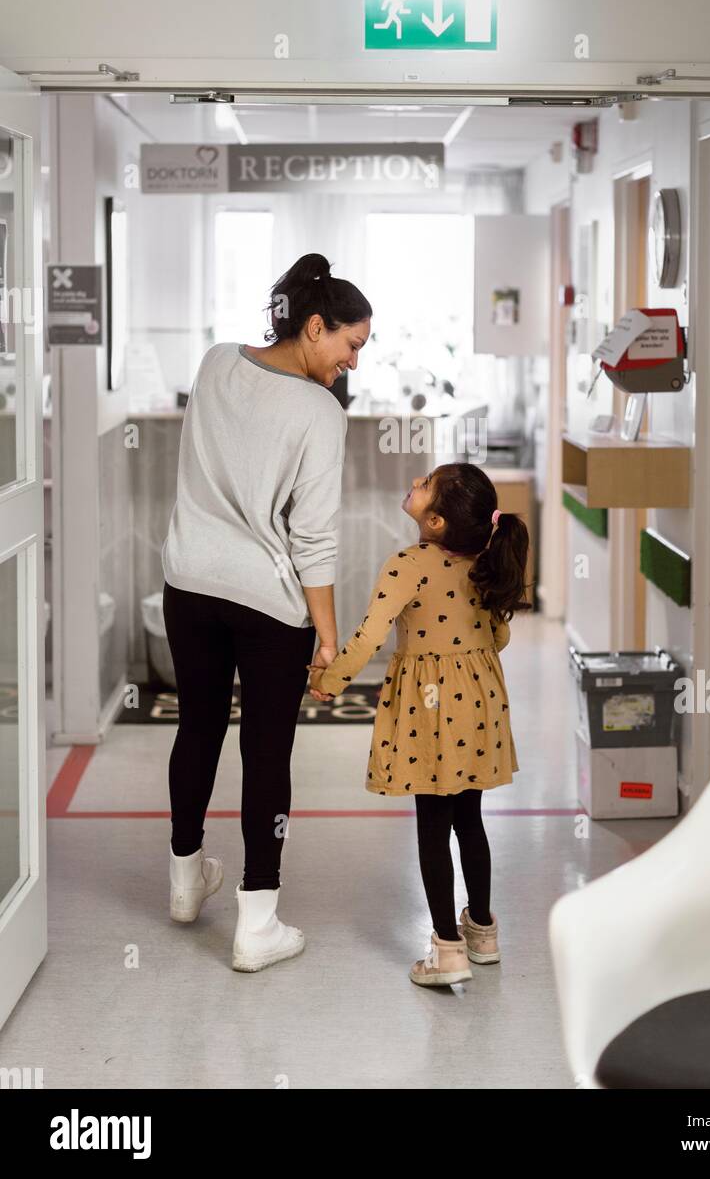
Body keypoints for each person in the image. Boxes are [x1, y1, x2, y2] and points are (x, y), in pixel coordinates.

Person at [161, 252, 371, 972]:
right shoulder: (319, 410)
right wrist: (330, 636)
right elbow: (313, 534)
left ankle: (186, 884)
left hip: (189, 581)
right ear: (316, 327)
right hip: (265, 600)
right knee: (266, 750)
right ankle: (258, 923)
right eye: (350, 345)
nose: (351, 363)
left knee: (198, 726)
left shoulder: (216, 361)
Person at [309, 462, 531, 987]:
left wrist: (331, 680)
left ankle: (446, 952)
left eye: (425, 483)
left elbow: (369, 636)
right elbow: (499, 639)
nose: (413, 481)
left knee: (433, 826)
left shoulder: (406, 565)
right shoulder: (486, 563)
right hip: (480, 700)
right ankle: (482, 931)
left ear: (435, 523)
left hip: (428, 709)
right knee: (469, 820)